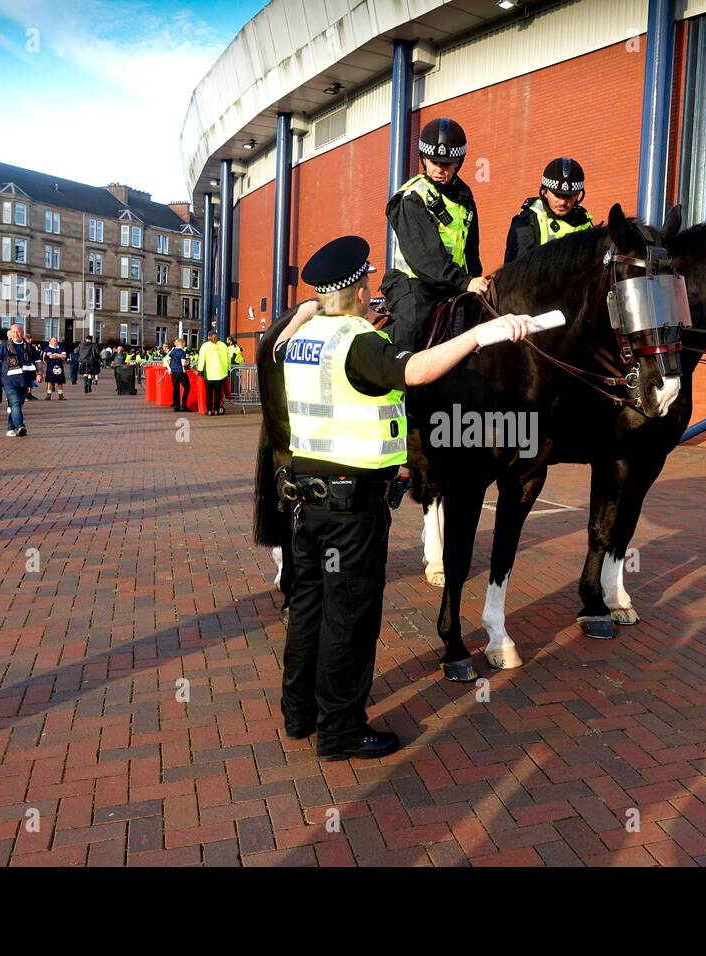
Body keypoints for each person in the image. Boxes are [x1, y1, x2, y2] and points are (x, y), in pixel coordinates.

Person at [279, 235, 532, 760]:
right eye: (368, 281)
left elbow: (287, 333)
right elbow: (415, 370)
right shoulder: (358, 342)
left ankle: (299, 713)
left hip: (307, 502)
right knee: (350, 617)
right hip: (352, 505)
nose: (375, 288)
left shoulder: (300, 338)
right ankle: (342, 730)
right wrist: (480, 335)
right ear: (357, 286)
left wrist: (309, 309)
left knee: (308, 609)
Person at [380, 117, 487, 353]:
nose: (440, 169)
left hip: (453, 282)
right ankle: (394, 380)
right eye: (433, 161)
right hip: (414, 282)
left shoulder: (464, 196)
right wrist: (465, 282)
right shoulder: (412, 197)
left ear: (459, 161)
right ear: (423, 158)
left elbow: (471, 249)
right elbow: (425, 259)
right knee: (413, 325)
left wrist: (476, 281)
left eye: (447, 164)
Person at [503, 157, 594, 263]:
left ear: (578, 195)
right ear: (545, 192)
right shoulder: (526, 222)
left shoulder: (584, 223)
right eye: (557, 195)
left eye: (569, 196)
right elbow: (517, 273)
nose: (562, 203)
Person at [0, 324, 42, 438]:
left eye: (18, 332)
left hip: (24, 380)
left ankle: (10, 428)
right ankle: (20, 426)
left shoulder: (28, 347)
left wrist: (39, 373)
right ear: (10, 333)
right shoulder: (3, 347)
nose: (16, 334)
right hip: (9, 380)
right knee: (15, 403)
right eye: (13, 332)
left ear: (22, 333)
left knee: (17, 405)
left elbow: (37, 361)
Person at [195, 330, 231, 415]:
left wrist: (200, 370)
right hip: (220, 374)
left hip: (209, 374)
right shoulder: (223, 345)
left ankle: (209, 410)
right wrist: (227, 370)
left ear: (209, 337)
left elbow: (202, 359)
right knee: (218, 393)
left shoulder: (205, 346)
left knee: (209, 393)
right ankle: (217, 410)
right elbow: (228, 359)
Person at [167, 337, 191, 412]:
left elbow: (165, 359)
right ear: (183, 344)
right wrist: (188, 362)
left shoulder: (173, 351)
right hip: (181, 371)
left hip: (173, 372)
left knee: (176, 388)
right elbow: (183, 363)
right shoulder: (182, 352)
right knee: (187, 387)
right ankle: (183, 405)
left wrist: (169, 368)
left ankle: (176, 405)